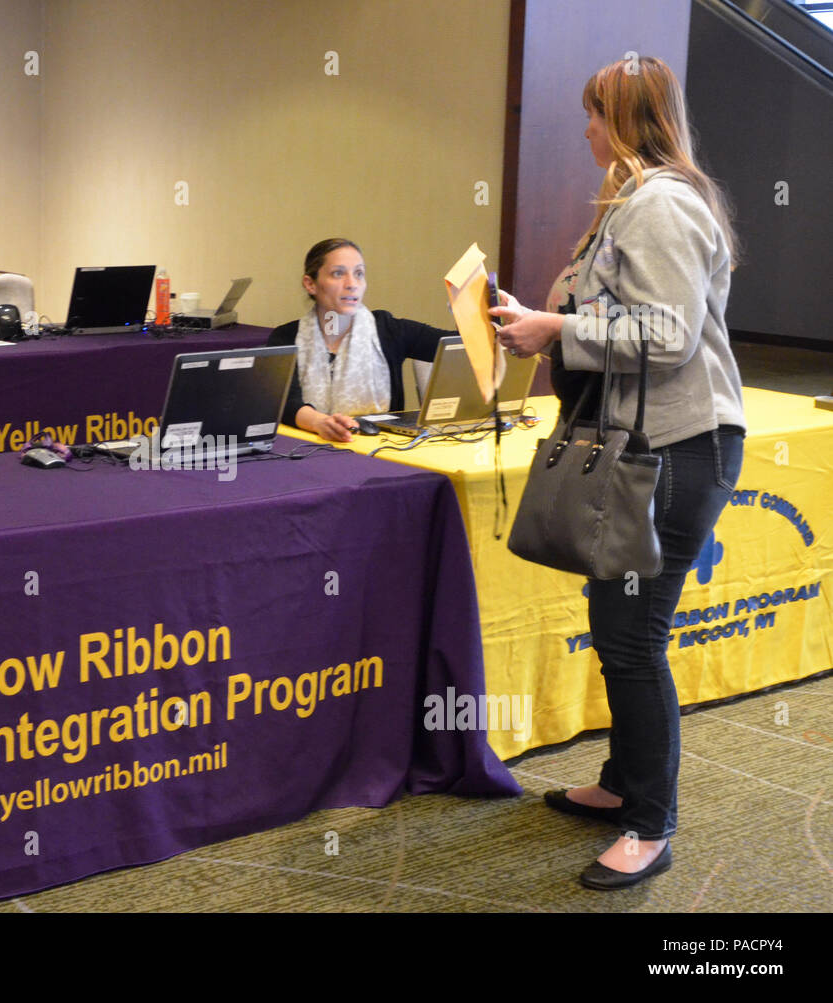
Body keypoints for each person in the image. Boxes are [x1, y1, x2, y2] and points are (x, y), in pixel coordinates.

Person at [492, 56, 746, 889]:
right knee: (618, 626)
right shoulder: (633, 202)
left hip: (677, 449)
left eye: (596, 115)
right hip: (655, 447)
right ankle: (623, 783)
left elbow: (666, 336)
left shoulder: (661, 204)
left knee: (633, 637)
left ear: (629, 119)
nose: (588, 130)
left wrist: (555, 328)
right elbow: (617, 312)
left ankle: (650, 822)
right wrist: (538, 322)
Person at [267, 238, 455, 442]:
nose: (351, 284)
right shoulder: (285, 338)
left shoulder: (388, 329)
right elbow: (285, 401)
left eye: (359, 274)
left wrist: (486, 318)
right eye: (338, 274)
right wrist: (320, 422)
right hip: (313, 448)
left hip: (385, 451)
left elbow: (458, 346)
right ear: (310, 284)